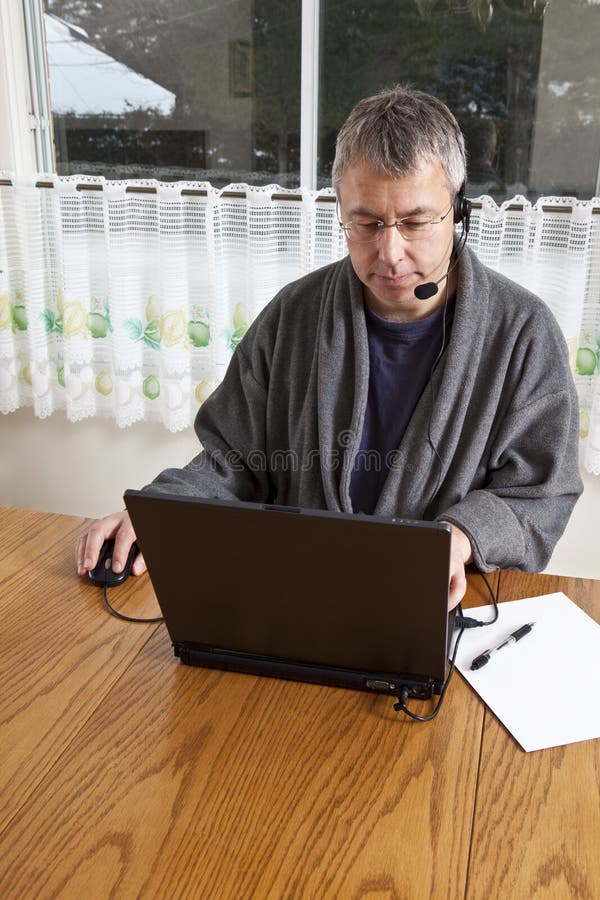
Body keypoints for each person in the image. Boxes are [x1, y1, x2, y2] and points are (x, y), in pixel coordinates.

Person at [76, 85, 583, 609]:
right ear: (340, 210)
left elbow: (541, 494)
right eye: (367, 223)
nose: (389, 252)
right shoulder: (292, 314)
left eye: (414, 222)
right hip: (302, 597)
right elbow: (233, 461)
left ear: (458, 211)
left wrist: (461, 535)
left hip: (443, 606)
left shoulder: (524, 334)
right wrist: (160, 511)